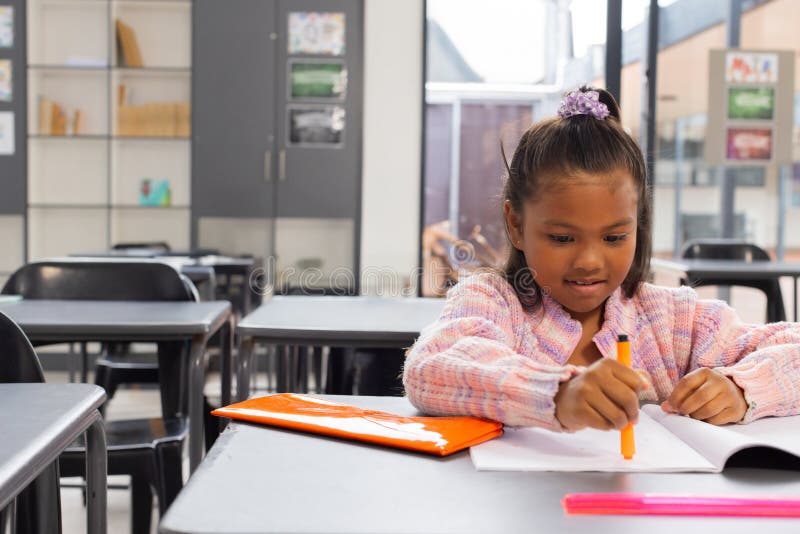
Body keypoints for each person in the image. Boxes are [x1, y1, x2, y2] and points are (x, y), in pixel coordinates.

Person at [403, 86, 800, 432]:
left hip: (644, 517)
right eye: (562, 237)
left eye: (614, 237)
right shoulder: (493, 303)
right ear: (516, 223)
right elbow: (431, 368)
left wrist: (743, 388)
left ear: (638, 225)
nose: (590, 261)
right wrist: (557, 393)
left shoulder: (673, 320)